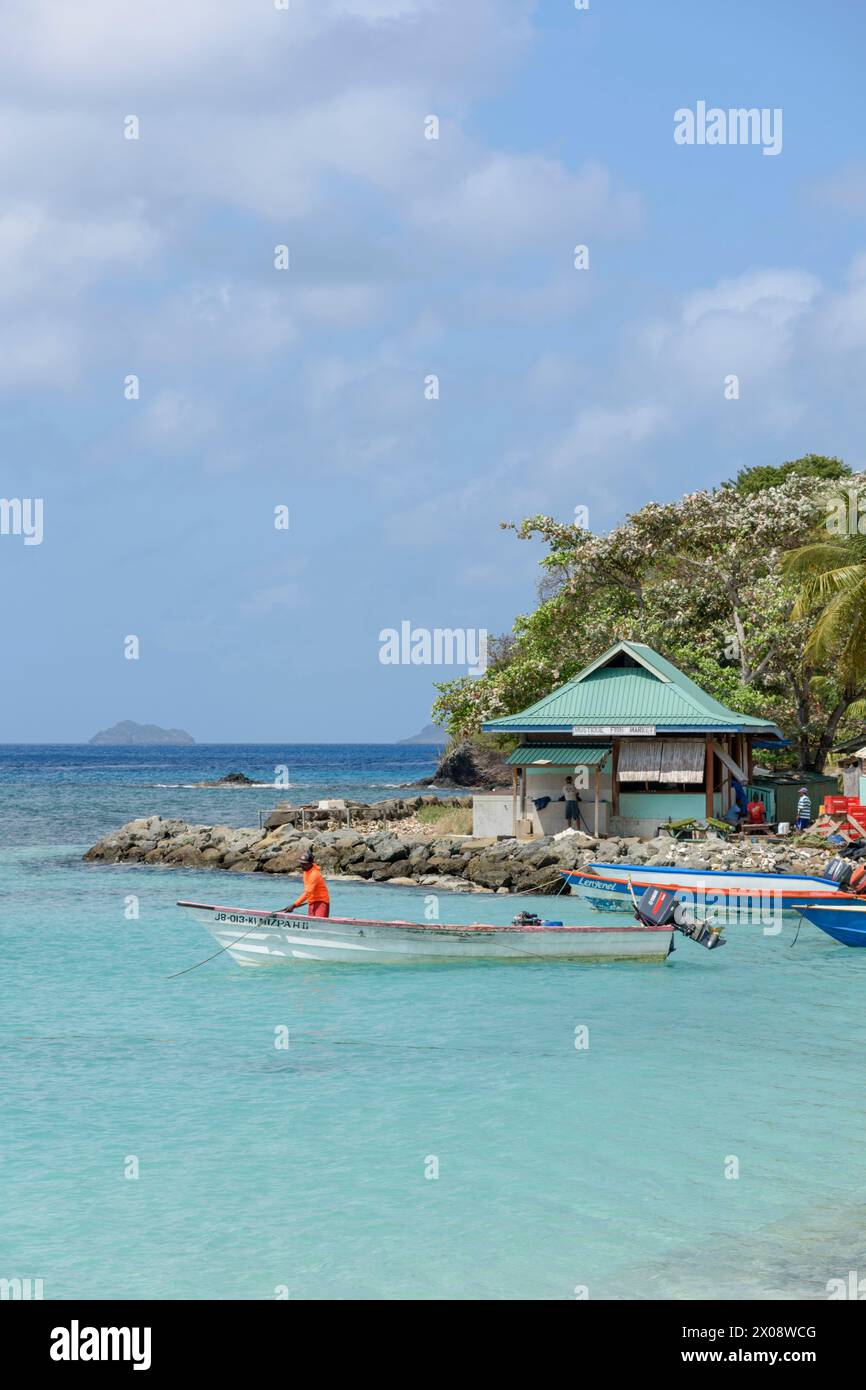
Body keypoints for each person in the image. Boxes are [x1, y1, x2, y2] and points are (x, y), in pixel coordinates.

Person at [283, 852, 330, 917]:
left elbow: (307, 893)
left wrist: (294, 905)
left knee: (319, 924)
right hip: (311, 902)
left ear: (311, 864)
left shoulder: (314, 874)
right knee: (311, 925)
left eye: (305, 864)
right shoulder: (306, 872)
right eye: (301, 863)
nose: (302, 866)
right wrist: (294, 905)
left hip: (321, 902)